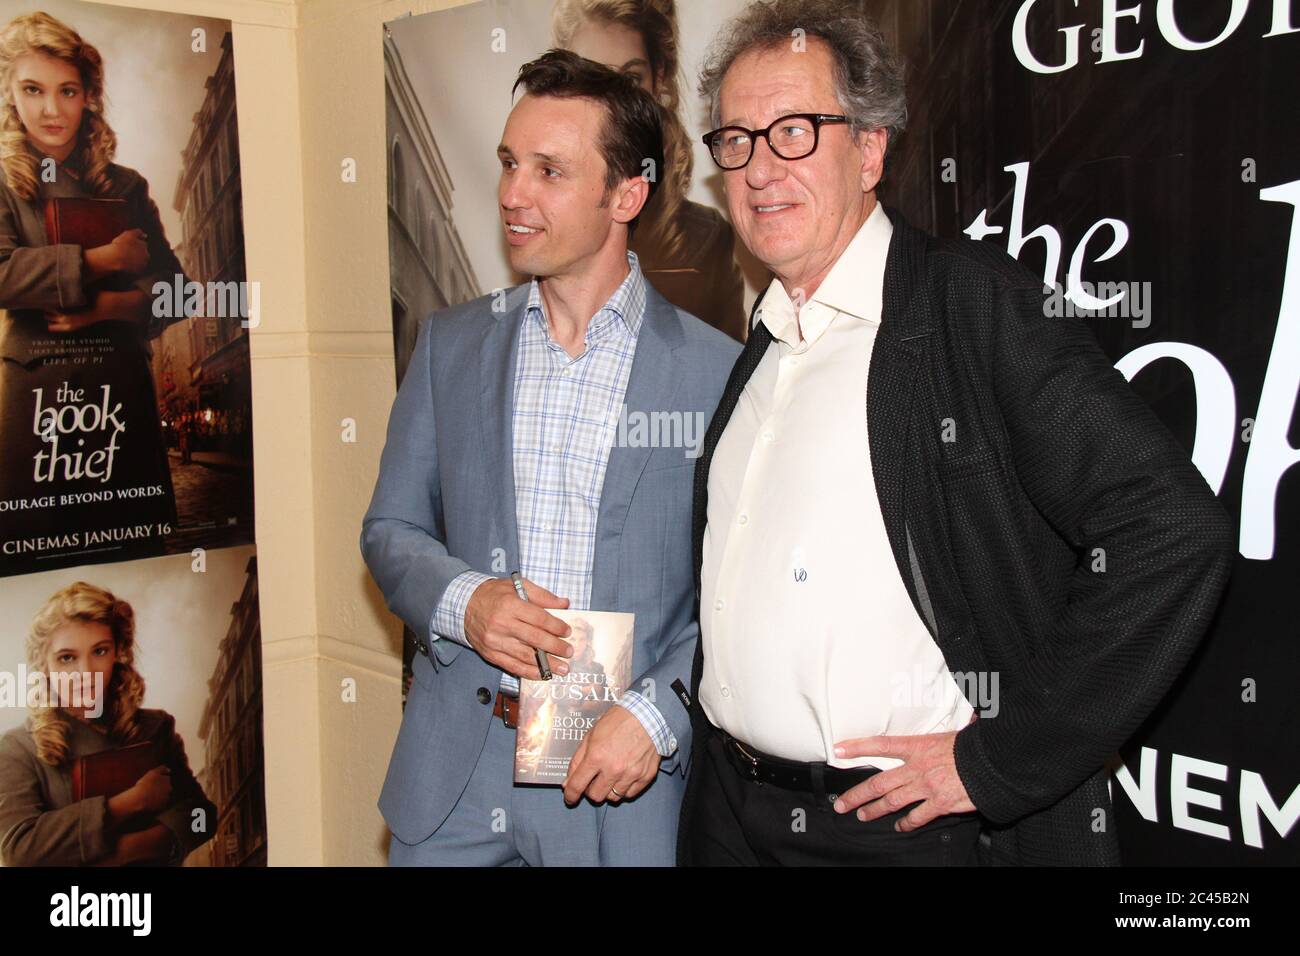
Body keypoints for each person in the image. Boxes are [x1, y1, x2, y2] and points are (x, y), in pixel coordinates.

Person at [678, 0, 1235, 866]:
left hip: (891, 835)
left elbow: (1168, 527)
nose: (757, 168)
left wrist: (999, 764)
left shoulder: (968, 305)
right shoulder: (763, 341)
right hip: (729, 811)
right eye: (737, 140)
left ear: (870, 150)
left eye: (794, 131)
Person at [362, 49, 739, 866]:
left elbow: (741, 597)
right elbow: (389, 531)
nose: (511, 194)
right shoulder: (450, 347)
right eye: (507, 163)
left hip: (622, 780)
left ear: (626, 195)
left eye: (548, 171)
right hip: (455, 770)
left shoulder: (715, 374)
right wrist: (468, 603)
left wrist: (659, 717)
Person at [0, 11, 194, 576]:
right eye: (33, 90)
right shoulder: (4, 184)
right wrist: (101, 262)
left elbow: (179, 294)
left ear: (89, 97)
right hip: (35, 404)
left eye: (68, 91)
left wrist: (112, 306)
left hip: (122, 399)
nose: (51, 109)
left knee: (133, 554)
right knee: (32, 557)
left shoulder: (126, 185)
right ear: (11, 95)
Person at [554, 0, 747, 341]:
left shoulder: (704, 240)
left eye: (630, 77)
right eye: (591, 76)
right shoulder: (541, 210)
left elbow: (724, 375)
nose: (612, 99)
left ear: (658, 79)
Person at [0, 581, 217, 866]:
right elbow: (19, 850)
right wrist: (132, 801)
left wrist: (129, 850)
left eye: (99, 651)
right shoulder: (18, 748)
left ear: (118, 653)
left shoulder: (155, 728)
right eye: (67, 658)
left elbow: (201, 815)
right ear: (44, 665)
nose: (85, 672)